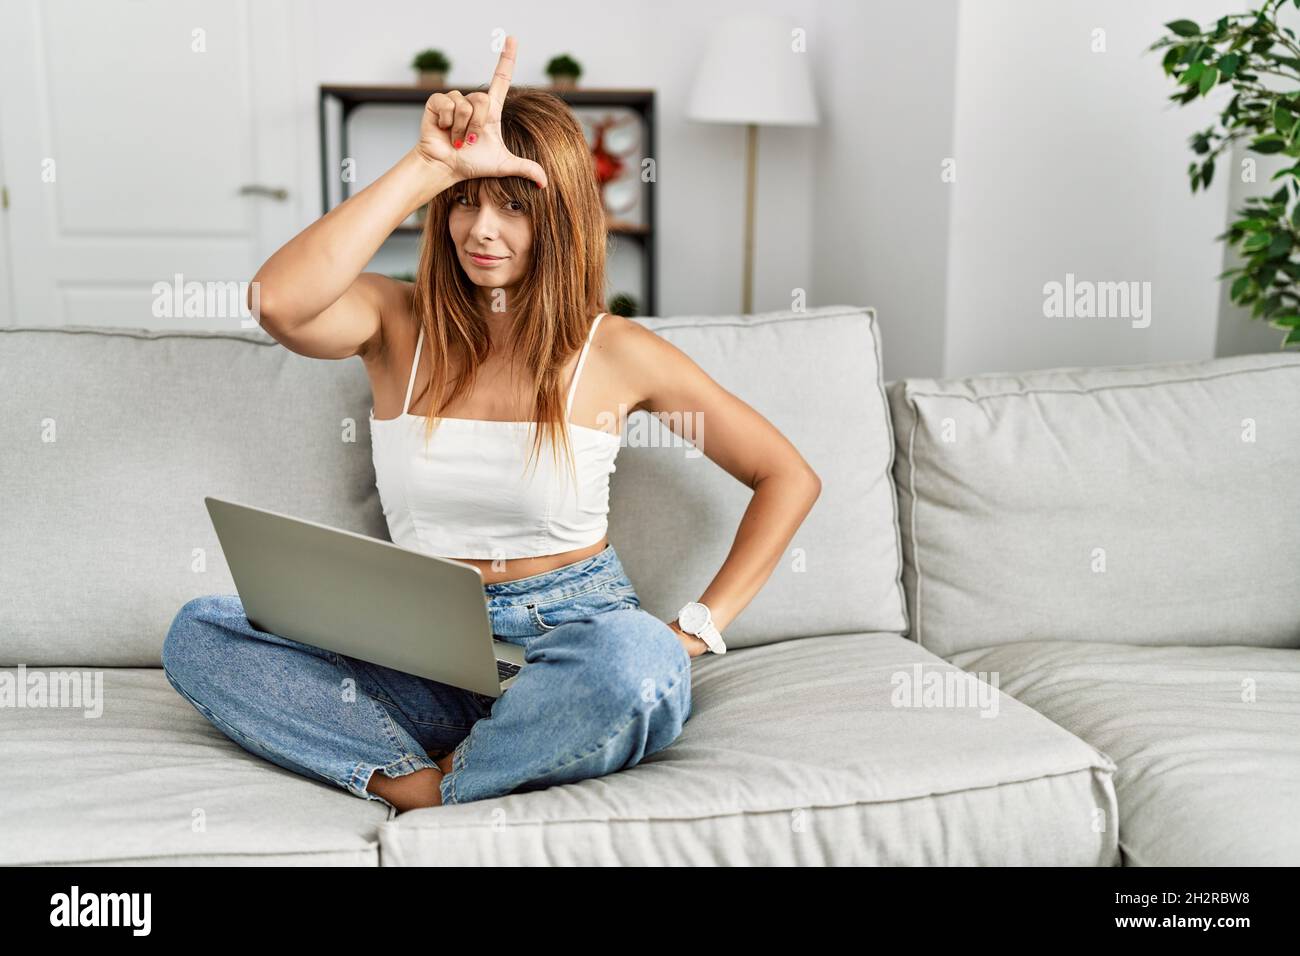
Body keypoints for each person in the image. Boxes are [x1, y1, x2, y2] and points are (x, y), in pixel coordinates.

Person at [161, 35, 821, 812]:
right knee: (201, 631)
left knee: (639, 662)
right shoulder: (394, 322)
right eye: (467, 201)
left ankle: (452, 780)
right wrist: (430, 167)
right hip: (417, 647)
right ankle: (417, 778)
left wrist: (698, 628)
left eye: (514, 204)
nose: (482, 229)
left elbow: (786, 476)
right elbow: (277, 301)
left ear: (561, 217)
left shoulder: (616, 352)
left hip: (573, 638)